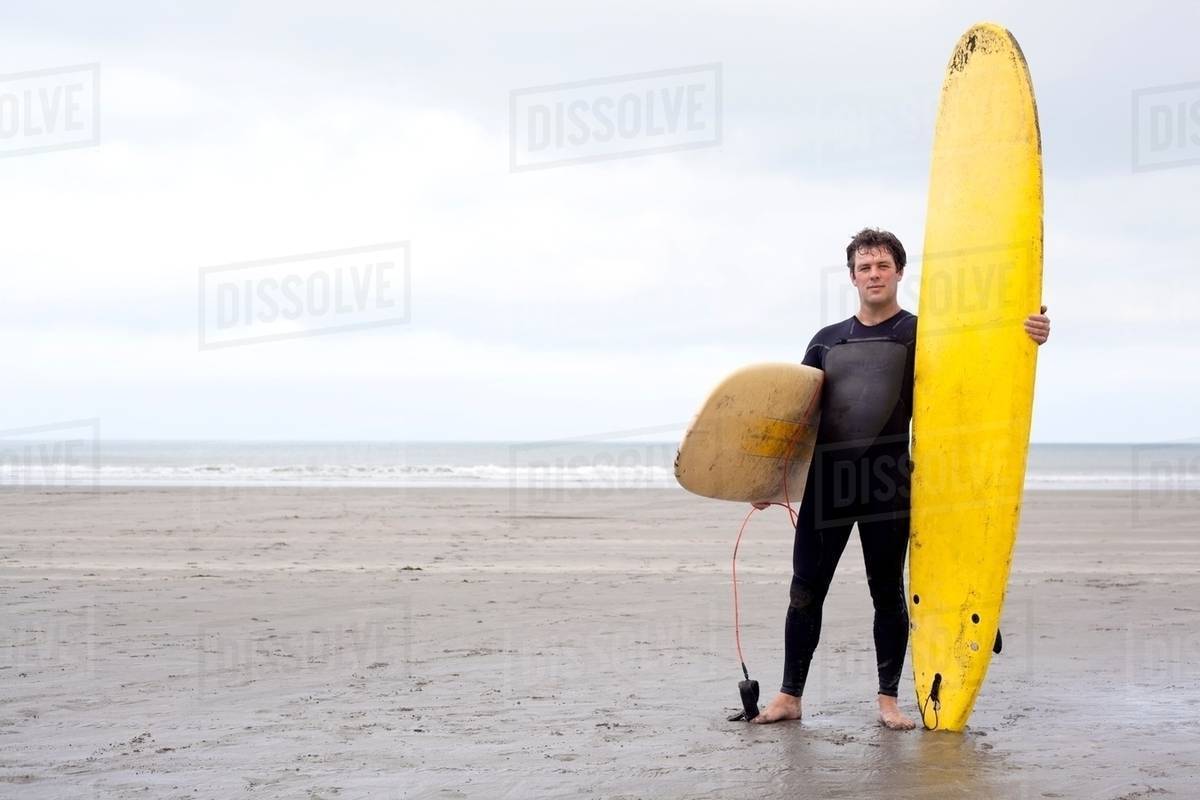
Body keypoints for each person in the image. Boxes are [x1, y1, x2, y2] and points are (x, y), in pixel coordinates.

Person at [751, 228, 1051, 729]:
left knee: (887, 592)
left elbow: (981, 360)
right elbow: (796, 418)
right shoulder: (826, 341)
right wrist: (763, 479)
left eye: (882, 266)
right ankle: (788, 696)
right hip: (828, 485)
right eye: (864, 267)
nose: (874, 274)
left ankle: (887, 699)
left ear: (899, 272)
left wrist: (1030, 333)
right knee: (805, 590)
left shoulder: (922, 335)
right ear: (851, 276)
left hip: (888, 482)